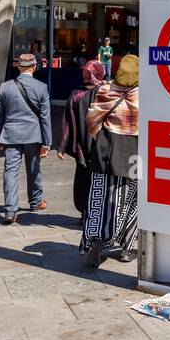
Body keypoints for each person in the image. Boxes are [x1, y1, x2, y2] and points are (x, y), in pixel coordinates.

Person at [81, 54, 139, 267]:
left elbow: (92, 120)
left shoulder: (105, 90)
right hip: (134, 152)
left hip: (106, 150)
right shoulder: (144, 95)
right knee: (133, 200)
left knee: (102, 196)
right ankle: (127, 247)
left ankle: (97, 239)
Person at [0, 51, 52, 224]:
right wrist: (47, 142)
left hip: (10, 136)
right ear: (34, 67)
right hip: (33, 136)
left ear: (18, 67)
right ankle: (35, 202)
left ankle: (10, 211)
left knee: (10, 172)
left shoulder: (5, 87)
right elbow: (45, 118)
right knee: (34, 169)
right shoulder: (41, 88)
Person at [57, 59, 105, 220]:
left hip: (82, 147)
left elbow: (68, 122)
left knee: (82, 180)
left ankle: (85, 212)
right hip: (102, 146)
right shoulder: (106, 93)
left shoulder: (76, 95)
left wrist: (62, 146)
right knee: (99, 180)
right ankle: (96, 214)